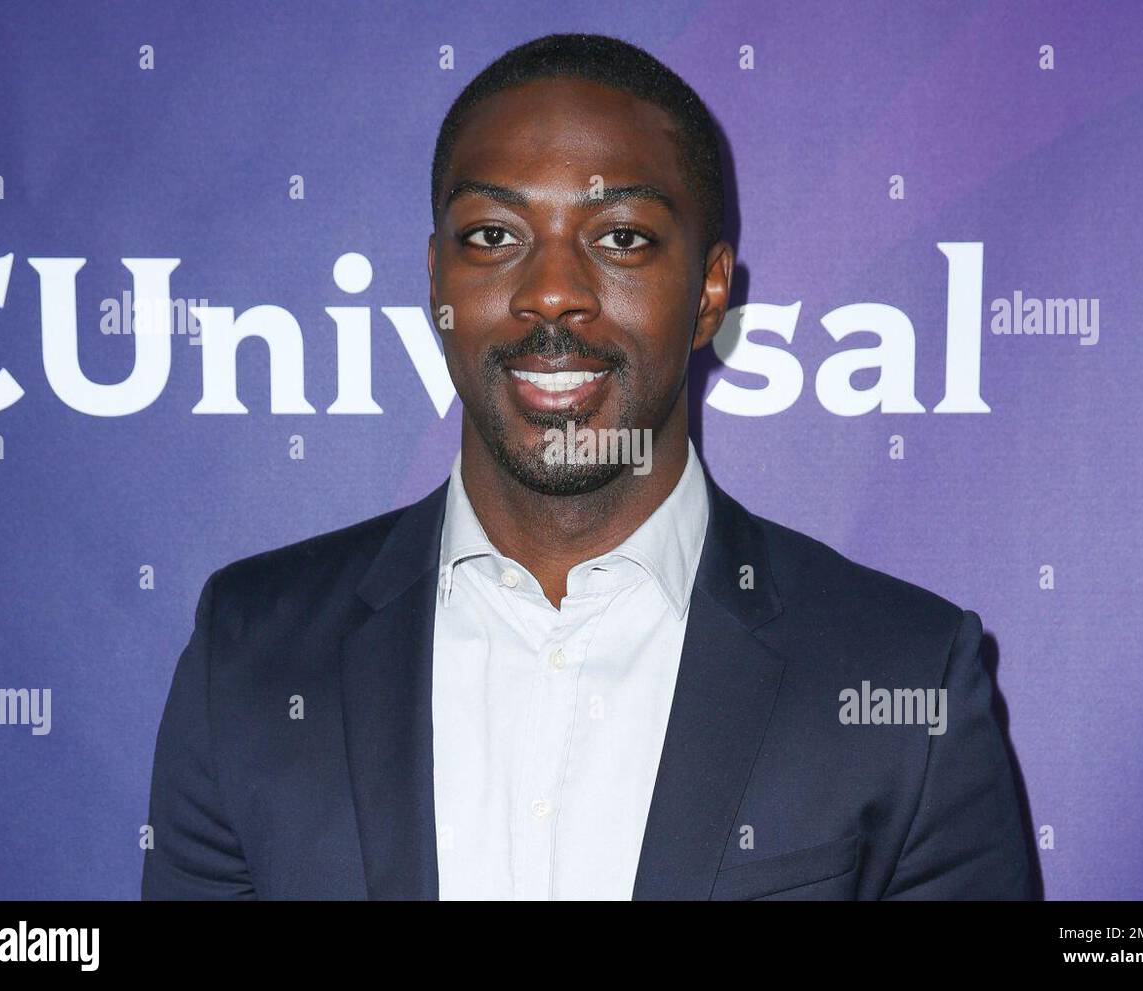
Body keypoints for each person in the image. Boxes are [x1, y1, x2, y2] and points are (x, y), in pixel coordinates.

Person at [142, 32, 1034, 900]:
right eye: (493, 235)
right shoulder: (252, 654)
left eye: (621, 238)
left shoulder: (906, 678)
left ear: (710, 291)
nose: (552, 291)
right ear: (436, 284)